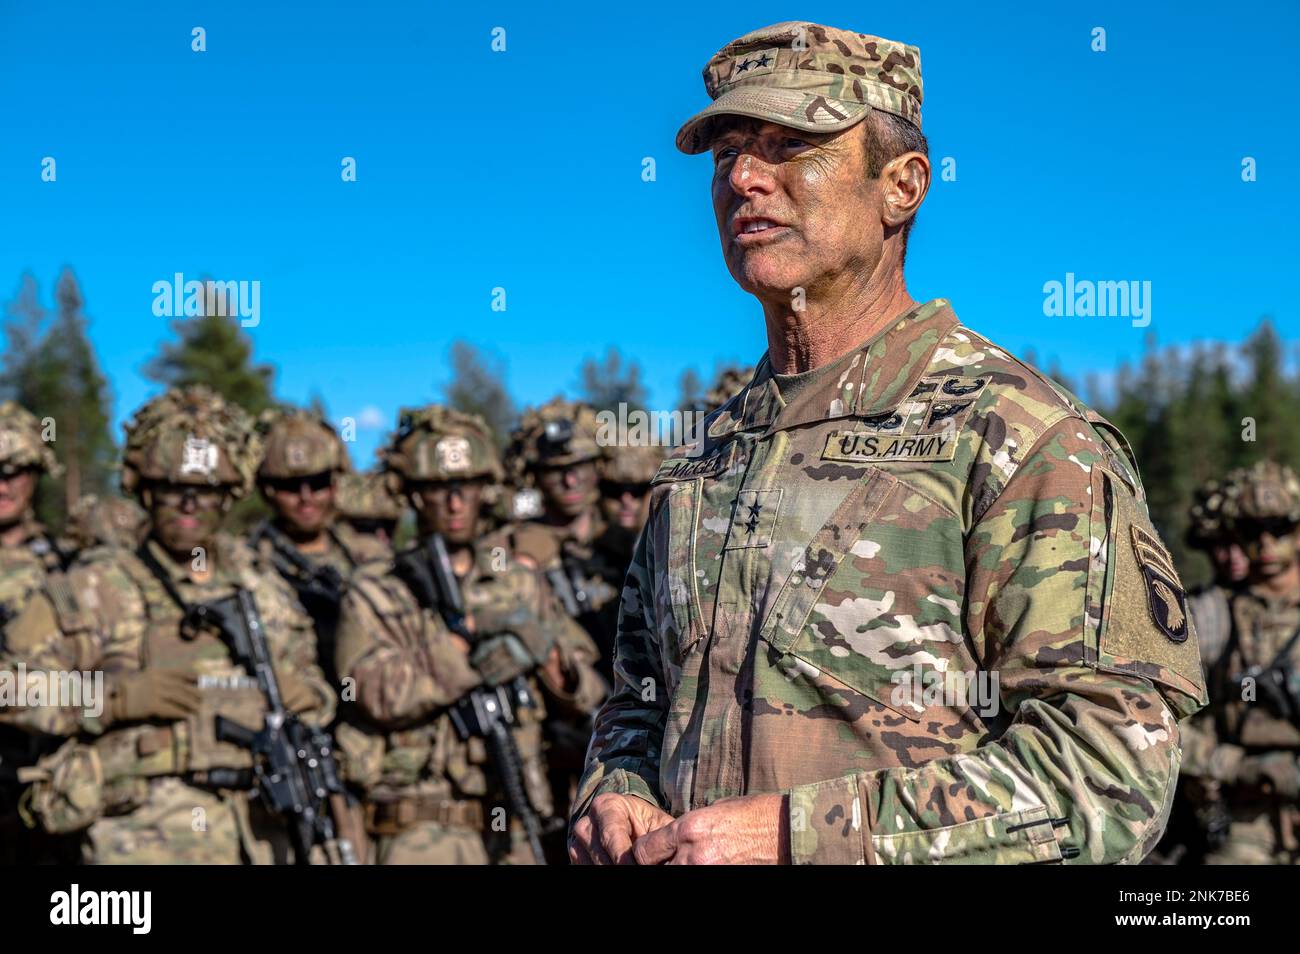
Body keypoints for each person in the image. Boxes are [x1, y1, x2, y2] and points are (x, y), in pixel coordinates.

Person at [569, 20, 1206, 865]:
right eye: (727, 155)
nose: (745, 179)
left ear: (901, 187)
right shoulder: (705, 455)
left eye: (792, 146)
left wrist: (801, 839)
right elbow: (640, 695)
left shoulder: (1018, 436)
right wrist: (616, 787)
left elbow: (1108, 775)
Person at [17, 386, 335, 863]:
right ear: (145, 490)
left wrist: (308, 695)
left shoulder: (265, 593)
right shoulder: (92, 590)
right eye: (172, 489)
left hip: (262, 835)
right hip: (142, 842)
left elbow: (323, 694)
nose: (189, 505)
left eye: (205, 491)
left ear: (229, 496)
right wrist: (113, 699)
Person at [334, 406, 604, 863]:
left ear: (486, 489)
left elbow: (589, 690)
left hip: (513, 818)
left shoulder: (516, 579)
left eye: (467, 487)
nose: (456, 502)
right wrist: (467, 645)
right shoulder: (377, 588)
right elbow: (368, 691)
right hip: (419, 827)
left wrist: (545, 653)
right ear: (416, 496)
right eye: (440, 489)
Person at [1181, 461, 1300, 864]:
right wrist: (1232, 766)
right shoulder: (1211, 616)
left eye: (1279, 528)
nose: (1266, 543)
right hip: (1244, 820)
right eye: (1251, 532)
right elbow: (1160, 725)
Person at [249, 408, 385, 688]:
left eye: (318, 483)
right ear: (267, 491)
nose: (306, 498)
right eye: (290, 486)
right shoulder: (246, 565)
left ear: (335, 486)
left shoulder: (371, 557)